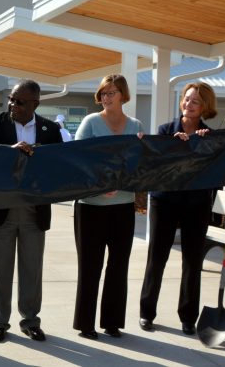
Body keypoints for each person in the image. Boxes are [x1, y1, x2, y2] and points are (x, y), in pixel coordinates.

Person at [0, 79, 62, 343]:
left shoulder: (49, 129)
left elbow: (59, 164)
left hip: (35, 210)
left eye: (20, 101)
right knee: (0, 269)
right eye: (11, 98)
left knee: (31, 269)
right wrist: (8, 152)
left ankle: (31, 321)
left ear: (35, 103)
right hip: (1, 208)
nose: (13, 104)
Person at [139, 82, 217, 336]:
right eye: (187, 99)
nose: (189, 104)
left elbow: (215, 172)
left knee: (192, 262)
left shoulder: (211, 136)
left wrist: (204, 146)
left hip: (197, 203)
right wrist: (172, 145)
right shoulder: (165, 130)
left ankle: (187, 317)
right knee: (157, 258)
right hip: (166, 200)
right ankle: (147, 312)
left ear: (205, 106)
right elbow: (154, 162)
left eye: (195, 101)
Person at [73, 74, 143, 339]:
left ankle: (112, 322)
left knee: (118, 266)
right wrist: (102, 185)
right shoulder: (90, 122)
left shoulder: (135, 124)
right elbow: (79, 159)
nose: (106, 97)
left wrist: (121, 183)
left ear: (123, 95)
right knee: (90, 266)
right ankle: (86, 324)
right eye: (103, 92)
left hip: (123, 206)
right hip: (91, 206)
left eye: (112, 92)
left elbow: (136, 163)